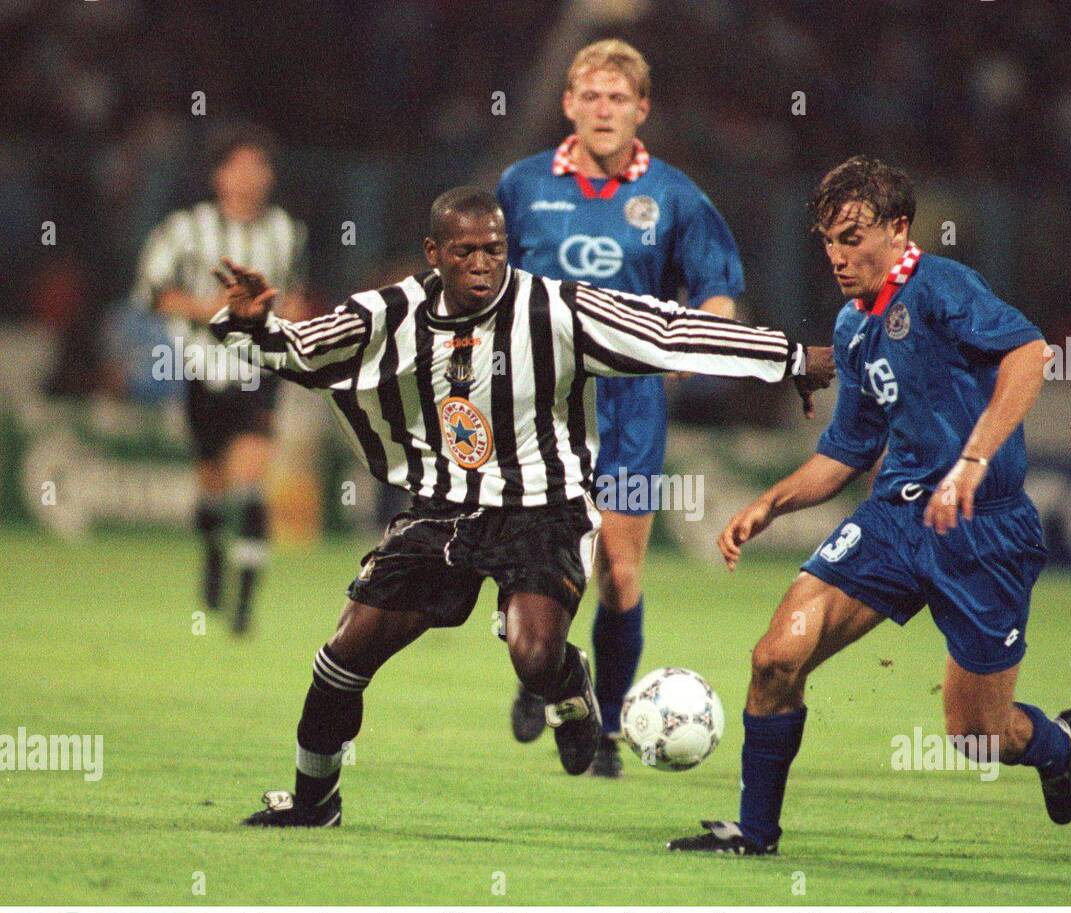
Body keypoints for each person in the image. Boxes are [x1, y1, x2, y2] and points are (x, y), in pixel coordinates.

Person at [208, 186, 832, 827]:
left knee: (533, 656)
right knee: (343, 657)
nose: (482, 263)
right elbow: (309, 354)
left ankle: (566, 687)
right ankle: (315, 805)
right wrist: (256, 325)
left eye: (495, 250)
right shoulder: (392, 311)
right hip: (440, 510)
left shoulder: (555, 308)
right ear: (434, 253)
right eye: (466, 251)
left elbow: (666, 332)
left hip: (544, 508)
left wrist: (785, 357)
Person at [668, 157, 1071, 856]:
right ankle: (755, 832)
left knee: (977, 734)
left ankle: (1057, 744)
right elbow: (846, 452)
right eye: (828, 240)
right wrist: (769, 503)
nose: (837, 255)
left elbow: (1030, 353)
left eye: (852, 236)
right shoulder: (852, 329)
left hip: (983, 531)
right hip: (895, 519)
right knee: (777, 657)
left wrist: (973, 459)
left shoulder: (942, 287)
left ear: (898, 229)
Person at [496, 39, 743, 776]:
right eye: (591, 97)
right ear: (569, 104)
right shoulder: (521, 185)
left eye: (618, 99)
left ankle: (603, 723)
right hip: (537, 403)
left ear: (642, 110)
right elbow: (484, 280)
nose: (604, 111)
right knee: (526, 556)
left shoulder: (673, 196)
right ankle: (541, 672)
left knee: (620, 572)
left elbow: (718, 294)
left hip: (630, 405)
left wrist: (698, 346)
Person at [133, 124, 308, 634]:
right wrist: (207, 309)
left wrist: (289, 319)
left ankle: (245, 605)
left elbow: (293, 293)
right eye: (239, 166)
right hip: (201, 366)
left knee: (252, 477)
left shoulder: (285, 231)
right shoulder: (185, 229)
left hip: (259, 365)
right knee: (212, 480)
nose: (249, 177)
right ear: (218, 175)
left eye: (258, 166)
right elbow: (150, 291)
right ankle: (213, 552)